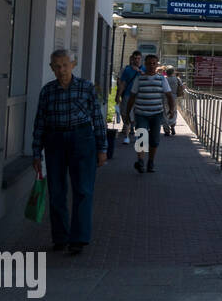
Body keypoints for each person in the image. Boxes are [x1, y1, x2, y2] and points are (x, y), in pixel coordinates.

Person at [31, 49, 107, 255]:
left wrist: (102, 148)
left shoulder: (86, 88)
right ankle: (60, 237)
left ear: (73, 65)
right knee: (56, 191)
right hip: (54, 140)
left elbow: (98, 119)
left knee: (83, 190)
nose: (61, 69)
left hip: (82, 139)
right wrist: (36, 152)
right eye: (57, 66)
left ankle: (79, 239)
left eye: (65, 65)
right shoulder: (47, 91)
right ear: (51, 68)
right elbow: (40, 123)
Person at [125, 54, 175, 174]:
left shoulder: (162, 79)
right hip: (141, 113)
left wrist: (172, 110)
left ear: (157, 65)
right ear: (145, 64)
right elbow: (132, 97)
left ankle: (151, 162)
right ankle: (141, 161)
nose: (151, 65)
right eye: (149, 63)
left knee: (154, 140)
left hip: (156, 114)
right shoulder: (139, 79)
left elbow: (169, 95)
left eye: (154, 63)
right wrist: (127, 113)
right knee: (141, 136)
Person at [118, 50, 142, 144]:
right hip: (128, 95)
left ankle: (137, 135)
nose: (137, 60)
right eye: (135, 58)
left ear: (141, 58)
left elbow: (147, 78)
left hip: (140, 96)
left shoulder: (144, 69)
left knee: (138, 116)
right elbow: (122, 84)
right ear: (132, 59)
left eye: (138, 58)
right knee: (126, 114)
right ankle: (127, 137)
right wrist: (118, 95)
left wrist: (139, 71)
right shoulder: (127, 70)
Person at [162, 65, 184, 136]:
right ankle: (172, 126)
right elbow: (181, 87)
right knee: (173, 111)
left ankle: (166, 129)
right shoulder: (177, 79)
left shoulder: (164, 79)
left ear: (166, 72)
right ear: (173, 72)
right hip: (174, 97)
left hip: (165, 97)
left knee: (165, 112)